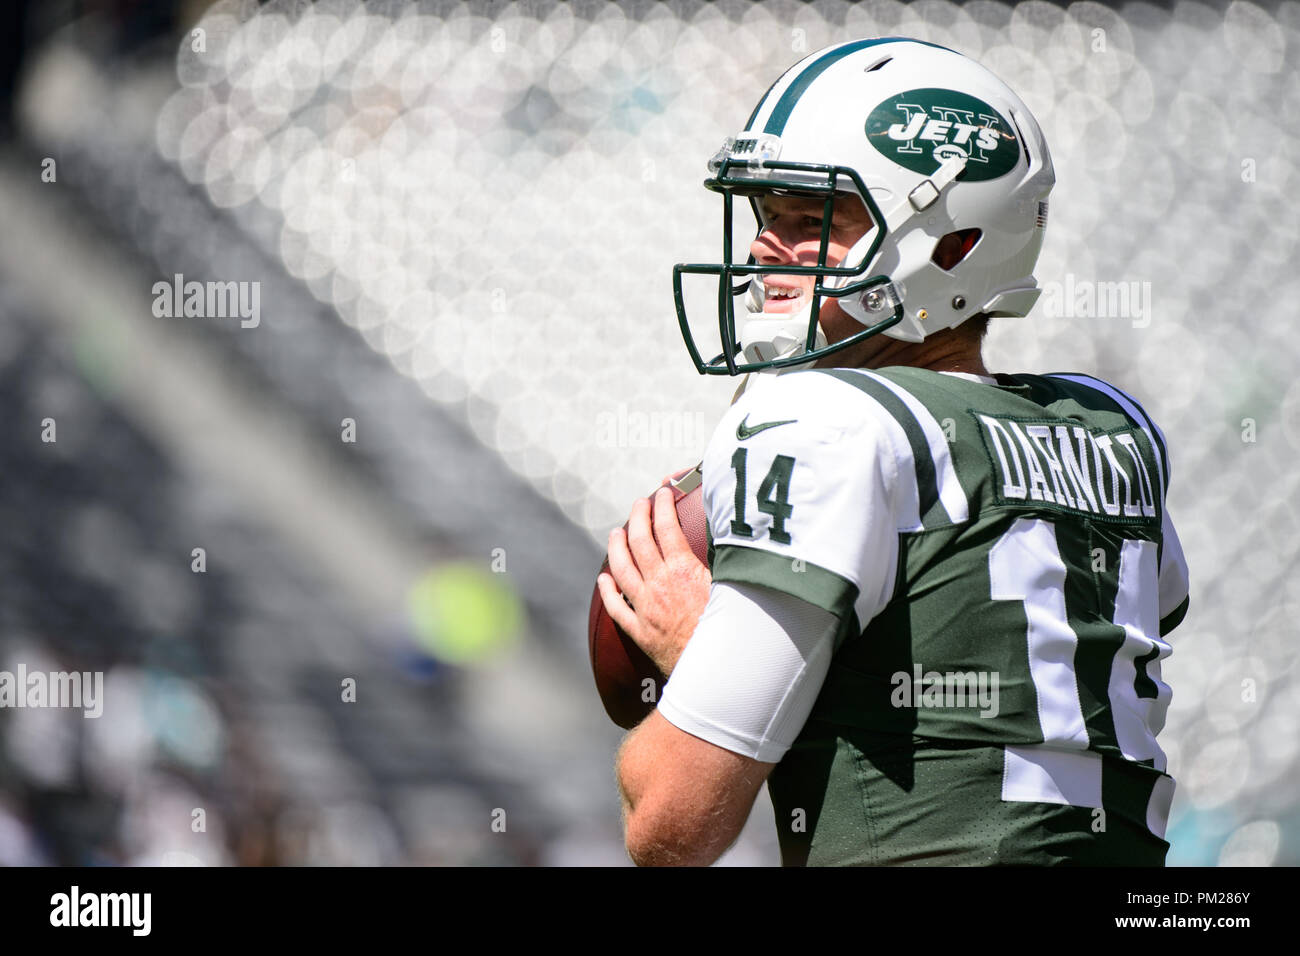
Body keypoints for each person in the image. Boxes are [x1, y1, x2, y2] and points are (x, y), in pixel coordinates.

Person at [597, 37, 1189, 866]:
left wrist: (705, 662)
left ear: (951, 248)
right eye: (768, 218)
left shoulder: (819, 417)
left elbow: (670, 826)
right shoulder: (1111, 425)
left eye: (812, 222)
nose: (767, 250)